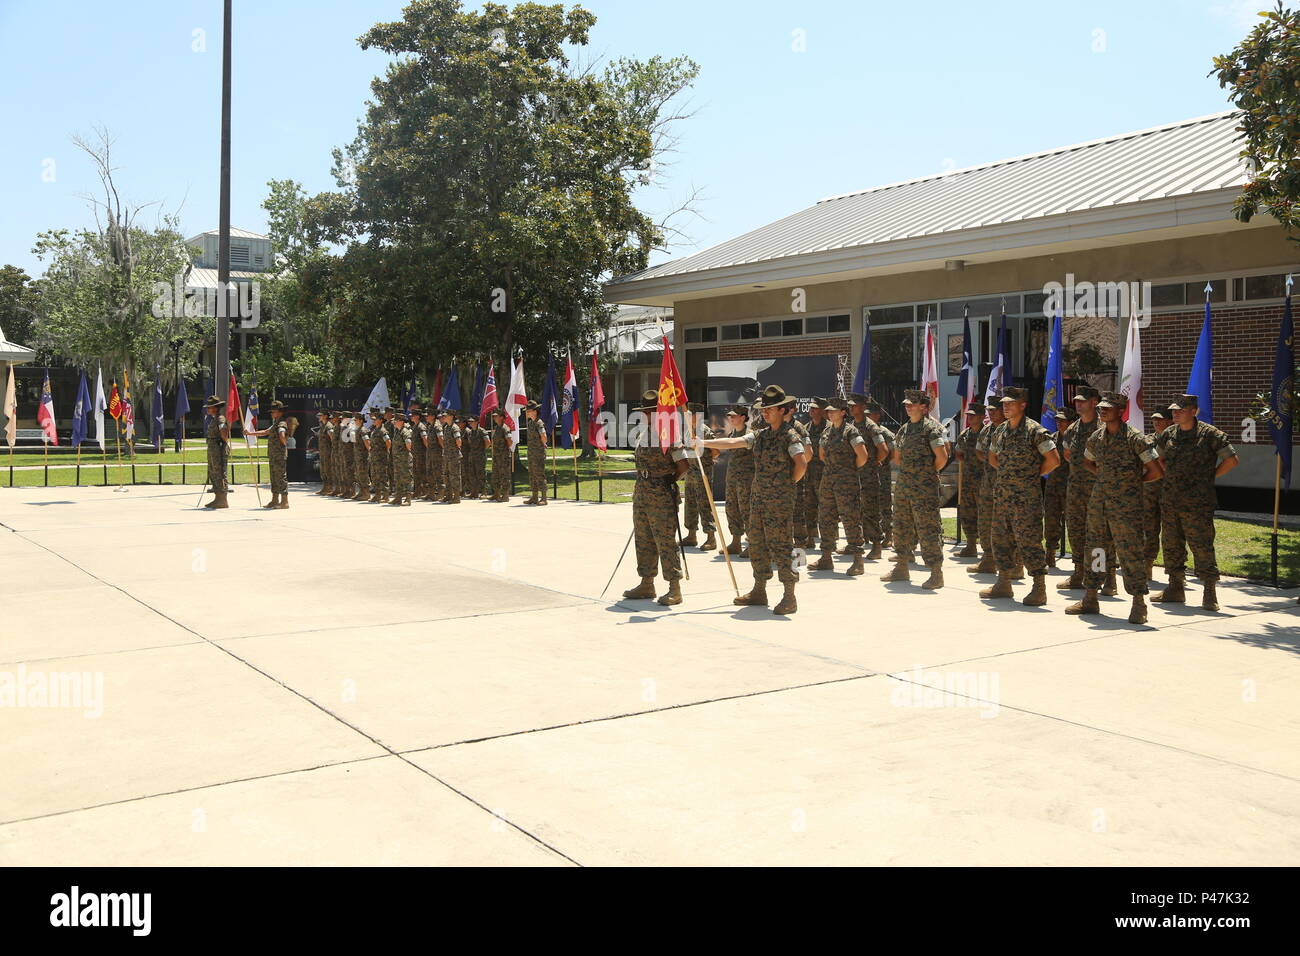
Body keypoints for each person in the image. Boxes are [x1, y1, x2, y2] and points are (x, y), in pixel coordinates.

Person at [697, 384, 806, 615]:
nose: (765, 412)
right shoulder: (760, 435)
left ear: (781, 410)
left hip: (779, 501)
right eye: (763, 409)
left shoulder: (790, 435)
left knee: (782, 545)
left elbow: (802, 464)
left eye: (770, 409)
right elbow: (732, 443)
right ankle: (759, 589)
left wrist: (785, 486)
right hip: (758, 499)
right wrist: (703, 443)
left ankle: (789, 594)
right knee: (756, 542)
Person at [1065, 391, 1163, 624]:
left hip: (1126, 506)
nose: (1102, 411)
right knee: (1096, 550)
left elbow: (1156, 471)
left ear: (1121, 411)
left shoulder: (1136, 438)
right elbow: (1087, 462)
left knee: (1130, 552)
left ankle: (1139, 602)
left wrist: (1130, 483)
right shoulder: (1096, 438)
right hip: (1099, 503)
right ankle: (1091, 597)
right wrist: (1105, 478)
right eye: (1101, 407)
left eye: (1108, 408)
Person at [1153, 393, 1239, 611]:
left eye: (1180, 410)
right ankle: (1175, 588)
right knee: (1171, 545)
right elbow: (1159, 459)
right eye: (1174, 410)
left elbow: (1231, 460)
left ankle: (1209, 592)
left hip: (1198, 503)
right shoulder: (1168, 434)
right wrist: (1170, 476)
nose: (1175, 413)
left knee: (1201, 546)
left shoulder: (1210, 435)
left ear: (1193, 411)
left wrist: (1210, 477)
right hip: (1170, 500)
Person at [982, 387, 1060, 605]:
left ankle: (1039, 588)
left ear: (1023, 405)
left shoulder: (1035, 431)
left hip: (1026, 499)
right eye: (1004, 403)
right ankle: (1004, 583)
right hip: (1003, 496)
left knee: (1030, 541)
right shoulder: (1000, 430)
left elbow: (1054, 460)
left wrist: (1031, 477)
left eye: (1010, 403)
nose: (1005, 407)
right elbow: (992, 458)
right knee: (1000, 539)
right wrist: (1009, 476)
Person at [621, 390, 691, 606]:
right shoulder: (644, 432)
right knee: (643, 538)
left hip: (660, 493)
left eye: (648, 411)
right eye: (644, 411)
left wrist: (668, 480)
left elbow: (684, 466)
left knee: (665, 541)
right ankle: (646, 583)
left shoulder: (669, 434)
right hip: (642, 491)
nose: (644, 415)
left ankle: (674, 587)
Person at [882, 390, 947, 588]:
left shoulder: (930, 429)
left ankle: (936, 572)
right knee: (900, 525)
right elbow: (897, 457)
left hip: (923, 488)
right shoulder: (904, 429)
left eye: (912, 404)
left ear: (924, 407)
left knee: (927, 528)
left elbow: (942, 457)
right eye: (907, 404)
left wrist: (925, 473)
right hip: (904, 485)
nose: (908, 406)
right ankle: (902, 566)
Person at [1059, 386, 1112, 592]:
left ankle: (1106, 578)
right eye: (1077, 401)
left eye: (1083, 401)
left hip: (1098, 492)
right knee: (1076, 532)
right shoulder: (1073, 428)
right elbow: (1066, 453)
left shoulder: (1103, 428)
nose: (1078, 404)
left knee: (1100, 535)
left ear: (1094, 402)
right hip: (1075, 491)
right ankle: (1079, 572)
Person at [811, 396, 868, 575]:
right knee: (825, 518)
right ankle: (826, 557)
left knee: (850, 519)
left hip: (846, 482)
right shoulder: (827, 431)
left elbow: (863, 456)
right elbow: (821, 454)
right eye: (828, 410)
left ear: (843, 412)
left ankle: (858, 560)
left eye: (833, 410)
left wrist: (847, 470)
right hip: (828, 480)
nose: (830, 413)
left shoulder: (850, 431)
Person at [847, 394, 889, 558]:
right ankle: (856, 543)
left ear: (863, 407)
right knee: (855, 512)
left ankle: (877, 545)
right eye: (849, 406)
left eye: (854, 405)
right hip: (854, 476)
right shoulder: (851, 426)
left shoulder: (871, 426)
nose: (851, 408)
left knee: (871, 511)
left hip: (868, 476)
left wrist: (872, 463)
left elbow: (884, 450)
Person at [968, 401, 1004, 574]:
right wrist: (992, 462)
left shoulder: (1008, 429)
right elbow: (979, 451)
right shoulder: (987, 430)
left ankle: (1014, 564)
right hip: (988, 482)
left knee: (1008, 524)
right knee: (985, 521)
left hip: (1008, 484)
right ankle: (988, 559)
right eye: (990, 410)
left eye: (995, 410)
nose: (992, 413)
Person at [682, 402, 718, 549]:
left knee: (704, 504)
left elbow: (716, 451)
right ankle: (691, 535)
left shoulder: (704, 431)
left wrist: (707, 457)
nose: (687, 416)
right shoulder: (687, 430)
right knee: (690, 503)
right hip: (690, 472)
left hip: (703, 472)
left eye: (690, 414)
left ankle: (711, 538)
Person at [1142, 406, 1171, 583]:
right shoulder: (1147, 440)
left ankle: (1175, 572)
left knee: (1172, 532)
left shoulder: (1175, 439)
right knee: (1149, 529)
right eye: (1154, 419)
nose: (1156, 422)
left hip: (1170, 491)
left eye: (1160, 419)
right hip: (1150, 491)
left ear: (1169, 421)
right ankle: (1147, 565)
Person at [245, 399, 290, 509]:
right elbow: (265, 432)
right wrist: (250, 433)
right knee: (274, 477)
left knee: (280, 477)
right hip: (273, 455)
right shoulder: (276, 423)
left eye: (274, 411)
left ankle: (284, 501)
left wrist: (283, 443)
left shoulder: (281, 423)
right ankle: (275, 500)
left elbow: (282, 433)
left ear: (280, 412)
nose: (272, 413)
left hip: (279, 455)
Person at [954, 402, 986, 558]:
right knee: (968, 512)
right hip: (967, 480)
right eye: (969, 415)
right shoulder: (965, 435)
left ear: (982, 417)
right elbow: (958, 453)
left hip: (984, 481)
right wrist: (966, 461)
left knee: (985, 513)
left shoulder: (988, 434)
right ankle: (971, 544)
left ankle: (989, 550)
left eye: (973, 415)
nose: (970, 418)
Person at [721, 404, 753, 555]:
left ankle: (753, 543)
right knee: (731, 509)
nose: (731, 418)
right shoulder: (731, 435)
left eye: (734, 416)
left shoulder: (750, 435)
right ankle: (735, 542)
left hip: (746, 480)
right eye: (730, 416)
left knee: (747, 510)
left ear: (743, 417)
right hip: (732, 478)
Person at [1042, 409, 1072, 567]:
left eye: (1063, 420)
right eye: (1057, 421)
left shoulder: (1075, 439)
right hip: (1053, 486)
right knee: (1051, 520)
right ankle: (1050, 553)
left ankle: (1079, 561)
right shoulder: (1051, 439)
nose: (1059, 423)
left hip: (1070, 487)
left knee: (1073, 523)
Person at [867, 401, 895, 548]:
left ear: (877, 415)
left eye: (869, 414)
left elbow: (892, 451)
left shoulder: (885, 433)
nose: (867, 417)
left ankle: (889, 534)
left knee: (884, 504)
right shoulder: (863, 430)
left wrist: (879, 461)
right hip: (867, 473)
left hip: (882, 473)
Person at [803, 398, 828, 551]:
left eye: (815, 408)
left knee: (826, 507)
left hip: (825, 473)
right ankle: (810, 537)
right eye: (811, 408)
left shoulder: (830, 428)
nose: (812, 410)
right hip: (809, 473)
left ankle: (828, 540)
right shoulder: (806, 428)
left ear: (823, 411)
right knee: (809, 506)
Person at [203, 396, 231, 509]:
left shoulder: (220, 419)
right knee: (214, 472)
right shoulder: (215, 419)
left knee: (219, 472)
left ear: (215, 408)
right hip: (213, 448)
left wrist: (221, 444)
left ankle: (223, 500)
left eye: (209, 407)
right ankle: (218, 498)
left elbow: (224, 433)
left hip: (218, 448)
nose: (208, 409)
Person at [525, 400, 548, 505]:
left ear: (535, 411)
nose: (527, 413)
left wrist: (542, 446)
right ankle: (534, 497)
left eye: (529, 411)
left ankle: (544, 498)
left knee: (539, 474)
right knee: (532, 475)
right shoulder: (530, 423)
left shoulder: (539, 423)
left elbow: (544, 437)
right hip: (531, 453)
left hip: (538, 453)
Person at [390, 408, 414, 505]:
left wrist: (404, 453)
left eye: (395, 421)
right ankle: (398, 497)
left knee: (406, 478)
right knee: (398, 478)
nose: (394, 422)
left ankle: (408, 499)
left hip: (404, 459)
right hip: (398, 459)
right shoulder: (397, 431)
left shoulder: (405, 431)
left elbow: (409, 444)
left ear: (400, 421)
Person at [438, 407, 463, 503]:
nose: (444, 417)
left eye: (446, 415)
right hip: (447, 455)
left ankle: (456, 497)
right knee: (446, 476)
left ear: (451, 416)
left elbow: (459, 442)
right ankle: (448, 495)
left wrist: (453, 450)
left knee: (454, 476)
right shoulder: (446, 427)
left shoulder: (455, 427)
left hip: (453, 456)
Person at [489, 407, 512, 502]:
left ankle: (505, 495)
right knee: (496, 475)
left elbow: (510, 441)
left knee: (504, 475)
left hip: (503, 456)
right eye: (493, 417)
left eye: (496, 416)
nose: (494, 418)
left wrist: (504, 451)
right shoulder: (497, 428)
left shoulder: (505, 428)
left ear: (502, 417)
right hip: (497, 456)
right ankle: (496, 493)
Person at [368, 406, 391, 503]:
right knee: (375, 476)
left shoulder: (383, 431)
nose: (373, 421)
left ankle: (385, 496)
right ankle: (377, 495)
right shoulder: (374, 430)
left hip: (381, 458)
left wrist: (385, 452)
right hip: (374, 457)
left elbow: (388, 442)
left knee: (382, 477)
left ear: (381, 420)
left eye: (375, 419)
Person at [463, 415, 486, 499]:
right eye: (469, 422)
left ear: (477, 422)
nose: (470, 423)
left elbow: (488, 442)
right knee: (472, 474)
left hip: (480, 456)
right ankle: (474, 492)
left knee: (481, 474)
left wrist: (481, 450)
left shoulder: (481, 431)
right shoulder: (470, 432)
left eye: (472, 422)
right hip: (472, 455)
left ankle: (484, 492)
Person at [410, 404, 428, 499]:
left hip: (421, 454)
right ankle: (417, 491)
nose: (411, 417)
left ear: (417, 416)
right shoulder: (414, 426)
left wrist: (427, 451)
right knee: (416, 472)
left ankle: (424, 491)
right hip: (415, 454)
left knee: (422, 472)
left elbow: (425, 439)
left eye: (413, 415)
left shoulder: (421, 426)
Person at [351, 411, 370, 501]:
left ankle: (366, 494)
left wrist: (369, 452)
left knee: (363, 475)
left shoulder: (363, 430)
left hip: (363, 457)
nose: (354, 421)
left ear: (361, 420)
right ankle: (361, 492)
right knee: (358, 475)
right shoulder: (357, 430)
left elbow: (367, 443)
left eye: (356, 419)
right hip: (358, 456)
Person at [313, 410, 331, 496]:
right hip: (323, 451)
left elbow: (332, 439)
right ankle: (325, 487)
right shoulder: (323, 426)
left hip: (328, 452)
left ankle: (329, 488)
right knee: (323, 470)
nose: (319, 417)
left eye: (321, 415)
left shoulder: (328, 426)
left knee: (327, 470)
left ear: (325, 416)